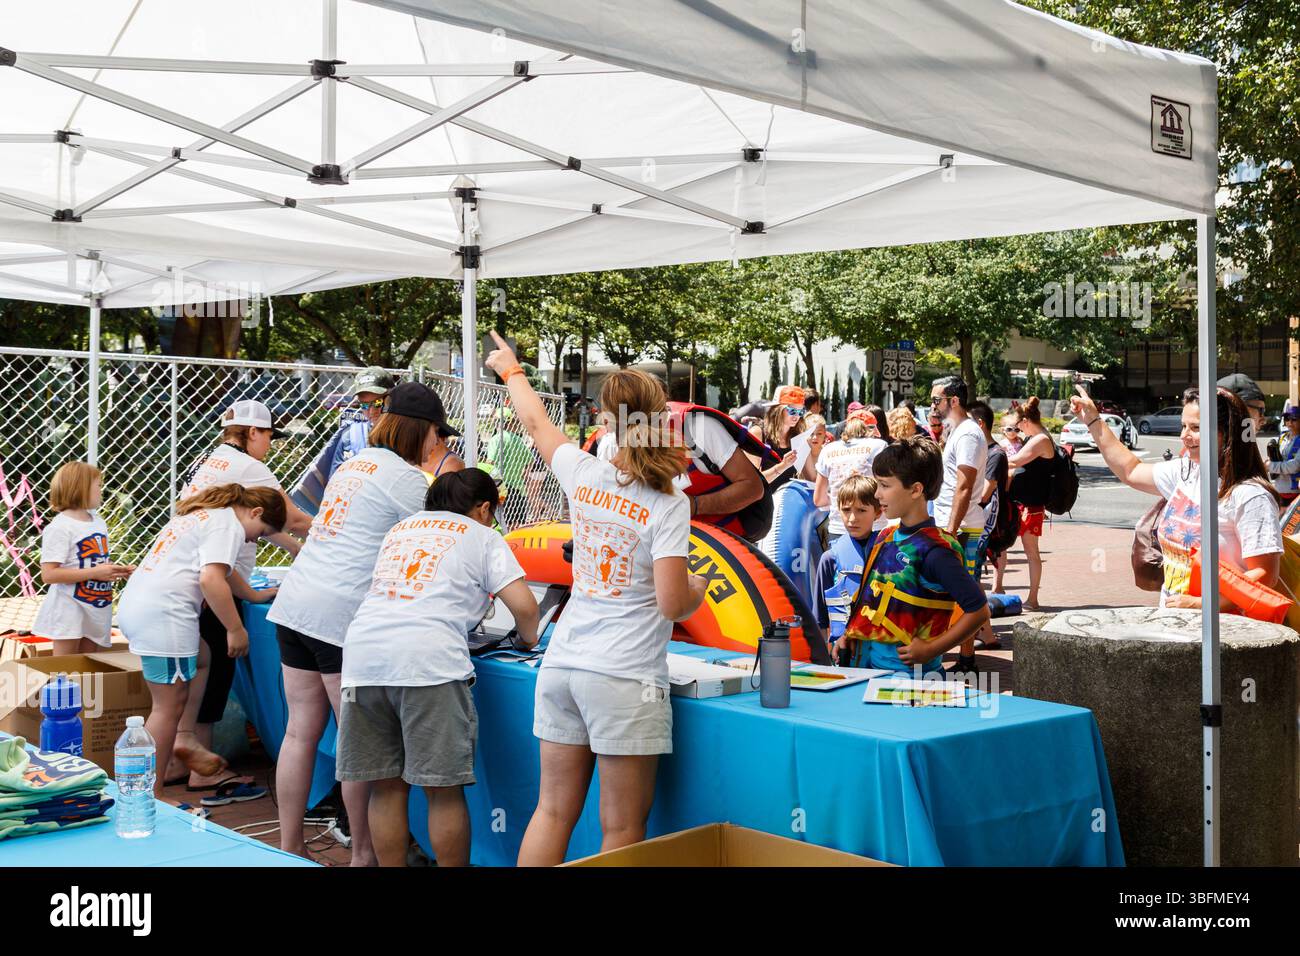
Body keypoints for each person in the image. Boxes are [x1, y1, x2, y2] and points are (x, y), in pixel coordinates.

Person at [481, 333, 705, 865]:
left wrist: (513, 370)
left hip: (563, 664)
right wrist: (695, 586)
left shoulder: (583, 475)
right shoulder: (669, 503)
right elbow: (674, 604)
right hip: (624, 676)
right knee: (622, 826)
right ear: (662, 420)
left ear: (605, 422)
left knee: (552, 812)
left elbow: (537, 424)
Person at [268, 382, 457, 864]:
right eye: (438, 434)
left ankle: (289, 849)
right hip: (339, 618)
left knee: (299, 731)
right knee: (359, 746)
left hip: (297, 603)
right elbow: (439, 543)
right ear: (421, 431)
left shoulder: (354, 464)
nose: (441, 445)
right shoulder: (409, 481)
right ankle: (364, 855)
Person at [337, 469, 540, 867]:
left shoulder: (401, 530)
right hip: (428, 664)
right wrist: (528, 640)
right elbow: (527, 608)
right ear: (484, 508)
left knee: (386, 786)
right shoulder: (483, 535)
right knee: (442, 791)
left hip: (363, 659)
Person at [173, 399, 312, 795]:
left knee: (194, 672)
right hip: (216, 582)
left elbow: (264, 522)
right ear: (253, 433)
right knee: (216, 670)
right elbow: (292, 517)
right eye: (269, 435)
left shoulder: (211, 458)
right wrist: (332, 537)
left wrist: (294, 549)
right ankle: (203, 767)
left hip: (190, 579)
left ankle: (174, 762)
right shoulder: (252, 467)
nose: (270, 444)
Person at [117, 485, 284, 806]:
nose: (254, 540)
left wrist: (254, 595)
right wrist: (235, 629)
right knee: (167, 706)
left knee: (203, 658)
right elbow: (211, 579)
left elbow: (224, 571)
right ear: (256, 513)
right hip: (164, 616)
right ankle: (151, 793)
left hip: (145, 608)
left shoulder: (209, 517)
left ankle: (184, 737)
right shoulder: (229, 525)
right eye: (261, 533)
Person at [1071, 385, 1282, 609]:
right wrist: (1093, 421)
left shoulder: (1251, 496)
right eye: (1183, 426)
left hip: (1224, 633)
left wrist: (1204, 605)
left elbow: (1266, 575)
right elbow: (1130, 471)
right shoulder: (1187, 471)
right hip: (1175, 625)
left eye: (1195, 427)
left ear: (1227, 433)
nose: (1184, 435)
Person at [840, 437, 991, 675]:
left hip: (913, 680)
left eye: (885, 485)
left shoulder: (935, 552)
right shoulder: (885, 537)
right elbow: (871, 600)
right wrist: (851, 634)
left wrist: (932, 649)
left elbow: (979, 611)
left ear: (916, 489)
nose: (877, 494)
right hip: (872, 668)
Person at [600, 396, 775, 542]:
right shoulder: (610, 446)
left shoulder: (699, 427)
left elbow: (752, 488)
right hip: (669, 548)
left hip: (727, 547)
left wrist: (695, 505)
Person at [34, 462, 133, 656]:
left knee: (88, 666)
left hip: (96, 604)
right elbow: (49, 574)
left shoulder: (98, 522)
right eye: (98, 486)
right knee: (64, 668)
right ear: (80, 488)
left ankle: (83, 688)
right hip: (69, 607)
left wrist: (115, 571)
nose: (101, 491)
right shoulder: (60, 527)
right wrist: (96, 572)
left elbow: (91, 561)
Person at [929, 376, 988, 675]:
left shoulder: (966, 434)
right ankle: (965, 659)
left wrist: (950, 531)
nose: (933, 405)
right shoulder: (960, 431)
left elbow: (964, 487)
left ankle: (966, 662)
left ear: (953, 401)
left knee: (961, 595)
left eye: (936, 399)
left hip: (960, 529)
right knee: (960, 593)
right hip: (958, 526)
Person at [292, 367, 397, 515]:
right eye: (364, 405)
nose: (372, 411)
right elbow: (335, 484)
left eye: (378, 402)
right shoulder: (352, 435)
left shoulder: (405, 434)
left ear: (391, 398)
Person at [813, 475, 881, 660]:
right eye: (846, 510)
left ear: (878, 512)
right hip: (843, 654)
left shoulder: (888, 553)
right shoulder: (829, 559)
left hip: (881, 652)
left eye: (861, 510)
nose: (852, 518)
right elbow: (820, 616)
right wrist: (823, 658)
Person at [968, 401, 1012, 650]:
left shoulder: (995, 454)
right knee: (971, 577)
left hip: (981, 525)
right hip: (976, 522)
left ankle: (986, 632)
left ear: (980, 424)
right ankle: (983, 631)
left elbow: (986, 493)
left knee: (972, 578)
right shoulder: (984, 451)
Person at [1005, 397, 1055, 610]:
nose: (1018, 430)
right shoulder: (1036, 437)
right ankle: (1010, 590)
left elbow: (1015, 461)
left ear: (1025, 421)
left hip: (1031, 504)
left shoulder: (1040, 439)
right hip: (1025, 502)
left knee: (1031, 551)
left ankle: (1033, 598)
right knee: (1026, 550)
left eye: (1018, 426)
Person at [813, 410, 888, 543]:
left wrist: (841, 502)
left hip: (839, 525)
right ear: (871, 429)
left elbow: (819, 499)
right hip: (874, 525)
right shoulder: (879, 446)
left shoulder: (828, 450)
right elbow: (887, 486)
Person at [758, 386, 805, 488]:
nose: (796, 416)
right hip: (763, 501)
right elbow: (753, 481)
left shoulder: (799, 437)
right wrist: (783, 466)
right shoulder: (759, 433)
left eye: (801, 412)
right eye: (792, 411)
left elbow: (809, 478)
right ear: (777, 410)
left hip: (788, 501)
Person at [1267, 405, 1300, 502]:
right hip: (1279, 489)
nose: (1290, 422)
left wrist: (1270, 466)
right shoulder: (1282, 437)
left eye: (1294, 419)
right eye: (1287, 418)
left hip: (1295, 493)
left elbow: (1295, 466)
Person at [800, 414, 828, 482]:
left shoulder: (828, 454)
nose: (815, 437)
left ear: (825, 434)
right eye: (811, 434)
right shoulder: (800, 455)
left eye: (819, 433)